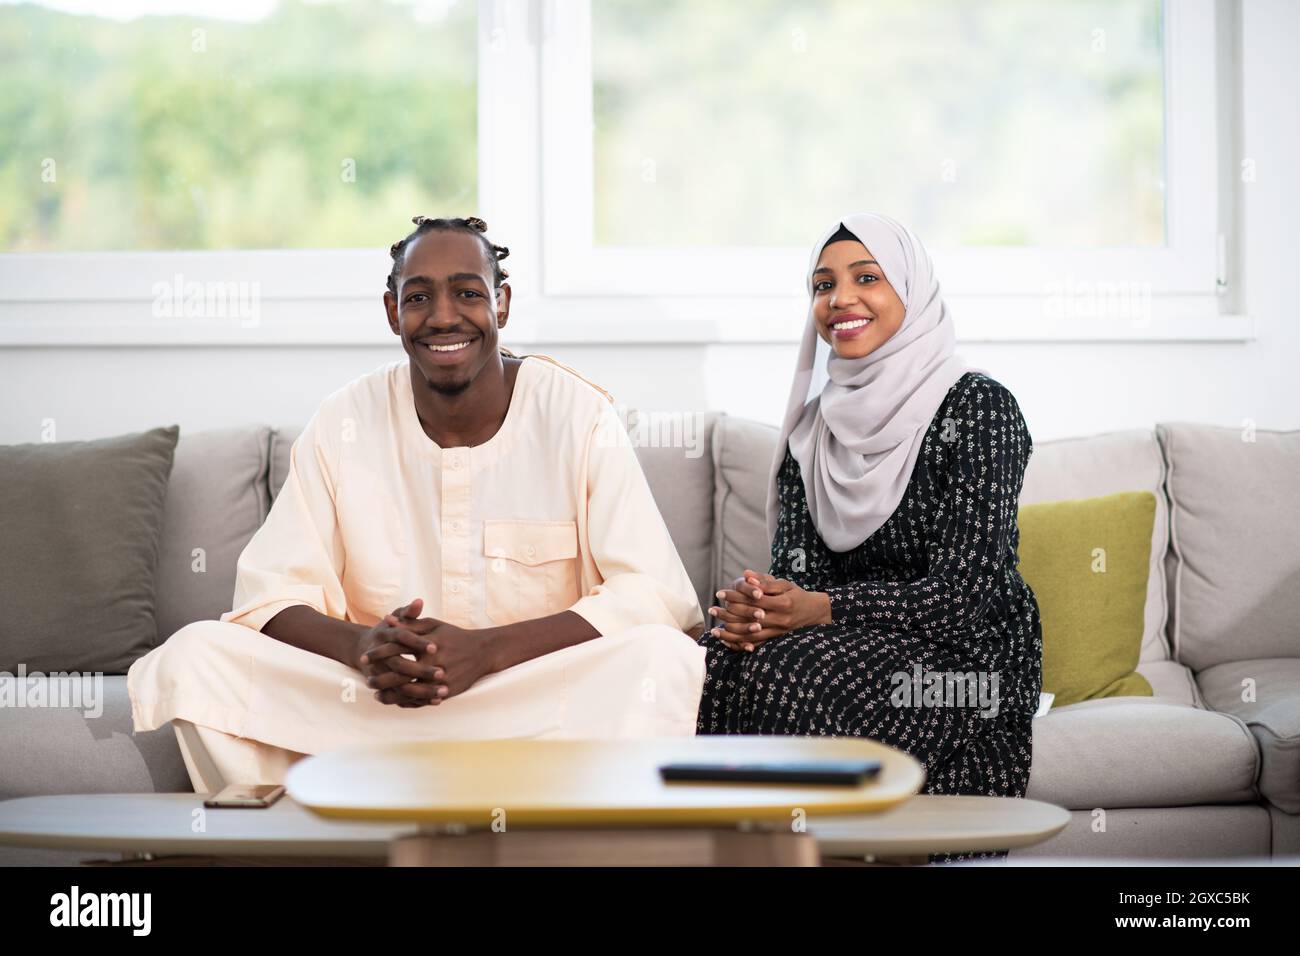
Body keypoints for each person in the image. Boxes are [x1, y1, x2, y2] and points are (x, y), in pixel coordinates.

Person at [128, 215, 707, 792]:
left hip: (528, 692)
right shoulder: (344, 420)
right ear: (391, 312)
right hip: (378, 702)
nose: (444, 316)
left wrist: (485, 652)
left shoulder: (578, 416)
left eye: (468, 293)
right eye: (419, 296)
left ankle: (371, 788)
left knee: (663, 659)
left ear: (501, 304)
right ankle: (349, 813)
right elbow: (271, 596)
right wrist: (362, 647)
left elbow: (651, 594)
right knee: (197, 655)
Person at [696, 213, 1043, 865]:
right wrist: (761, 609)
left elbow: (964, 596)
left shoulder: (978, 408)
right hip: (852, 641)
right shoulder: (815, 426)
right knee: (706, 655)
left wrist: (819, 610)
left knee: (790, 679)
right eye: (823, 284)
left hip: (965, 657)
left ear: (913, 292)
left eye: (868, 277)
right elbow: (799, 576)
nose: (841, 299)